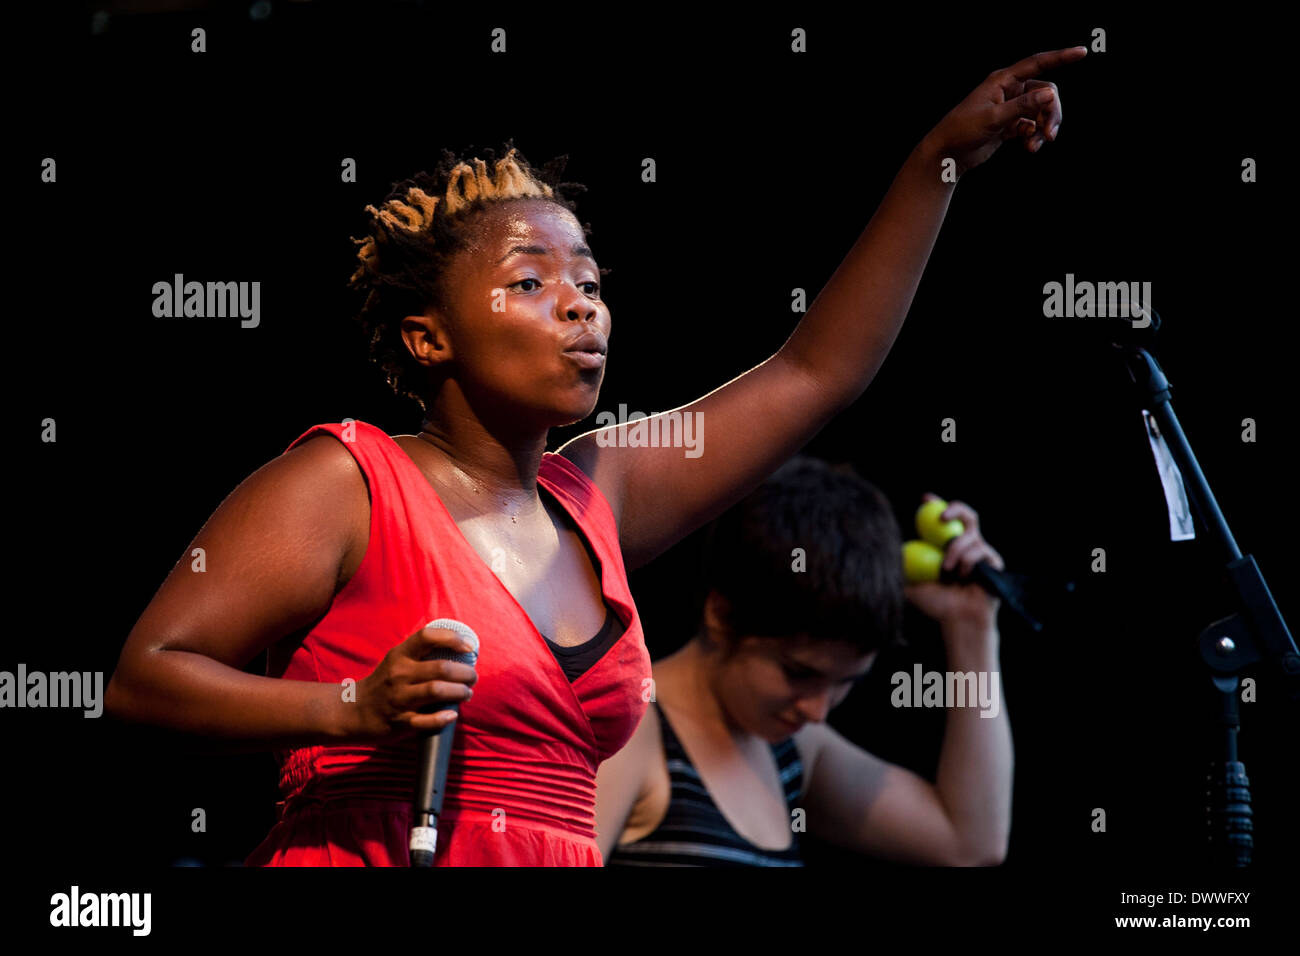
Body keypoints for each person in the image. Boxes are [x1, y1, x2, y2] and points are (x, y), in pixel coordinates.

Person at [102, 46, 1083, 866]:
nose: (581, 305)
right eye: (531, 281)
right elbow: (145, 677)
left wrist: (936, 163)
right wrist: (352, 705)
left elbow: (814, 372)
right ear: (428, 335)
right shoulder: (348, 484)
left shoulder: (598, 492)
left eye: (589, 281)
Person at [597, 457, 1011, 866]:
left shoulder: (792, 752)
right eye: (799, 672)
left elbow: (970, 842)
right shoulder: (628, 736)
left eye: (845, 682)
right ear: (722, 615)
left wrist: (972, 628)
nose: (817, 711)